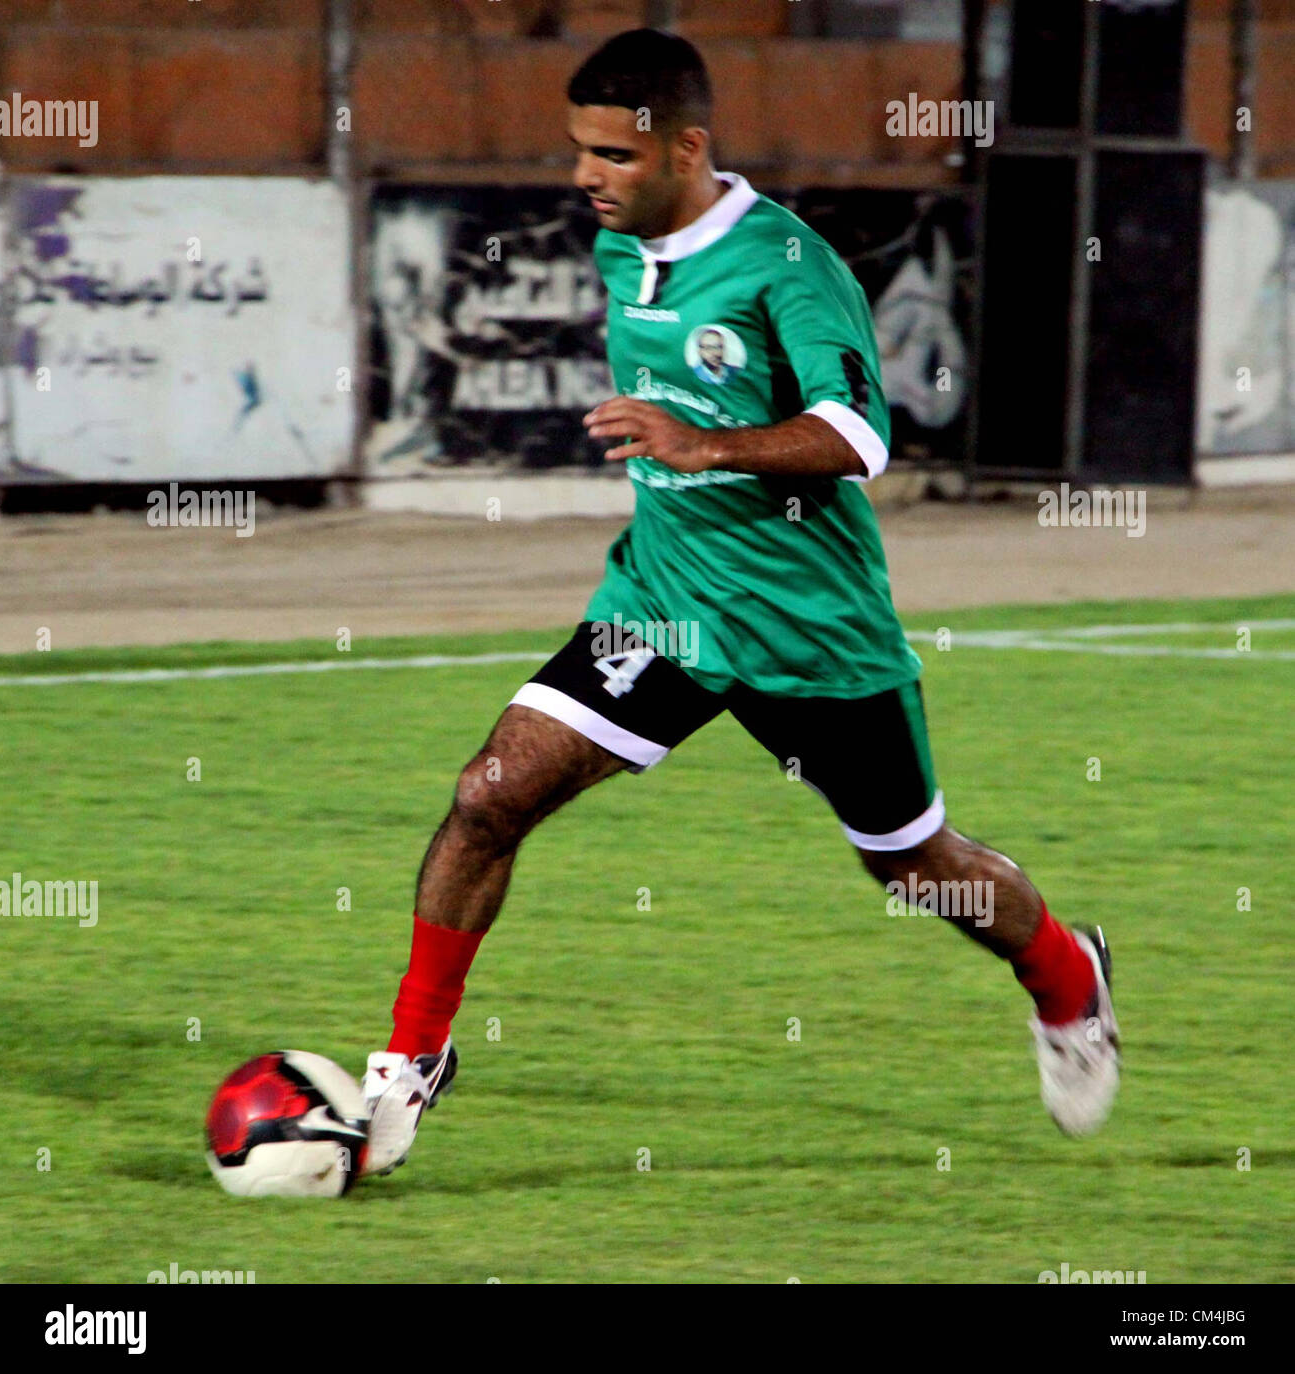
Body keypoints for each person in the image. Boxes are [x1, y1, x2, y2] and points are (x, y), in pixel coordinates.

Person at [360, 29, 1119, 1176]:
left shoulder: (788, 267)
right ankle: (412, 1057)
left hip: (812, 632)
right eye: (578, 151)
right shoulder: (624, 243)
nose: (584, 177)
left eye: (611, 155)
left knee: (910, 866)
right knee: (488, 796)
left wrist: (701, 445)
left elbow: (862, 436)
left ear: (686, 147)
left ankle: (1067, 976)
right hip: (665, 606)